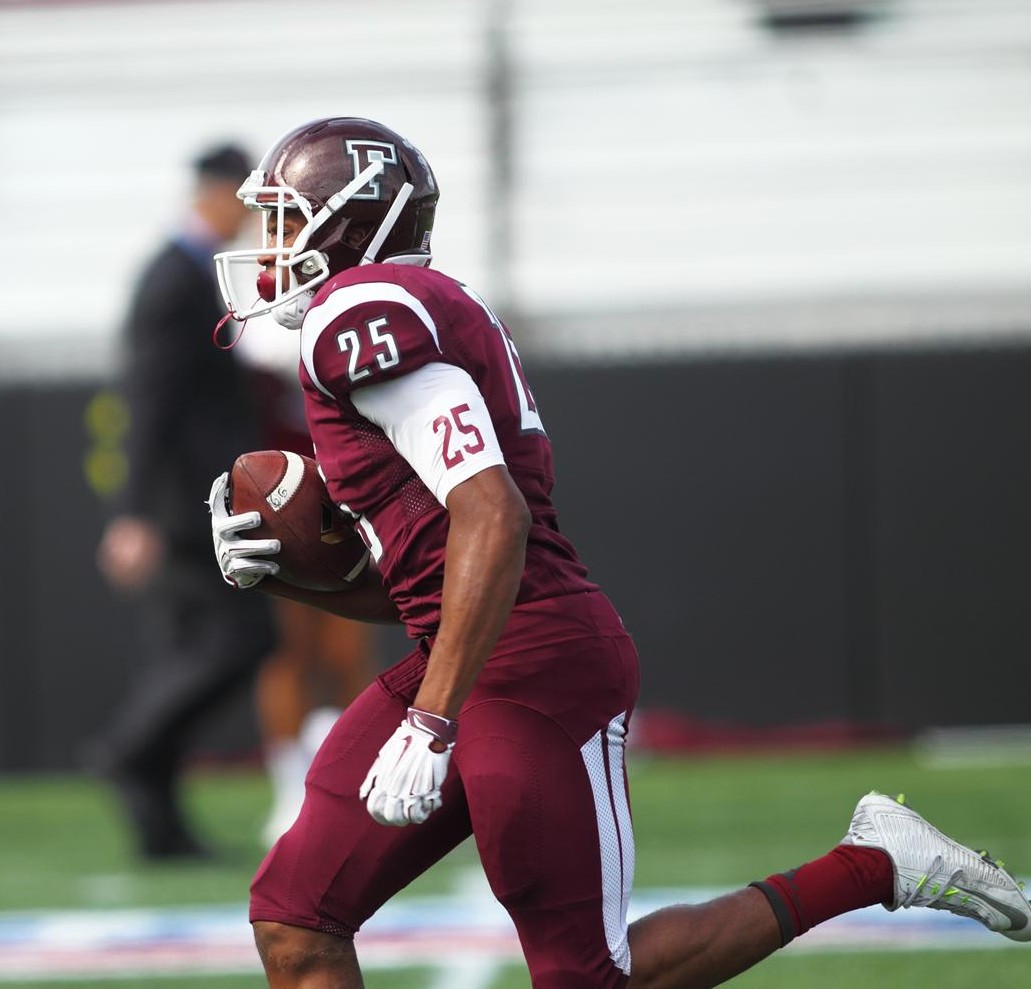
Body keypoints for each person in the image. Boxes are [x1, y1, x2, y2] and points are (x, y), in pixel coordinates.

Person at [205, 117, 1031, 987]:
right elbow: (429, 579)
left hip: (532, 661)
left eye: (287, 219)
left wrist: (432, 717)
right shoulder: (388, 311)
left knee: (585, 975)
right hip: (463, 645)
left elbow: (494, 515)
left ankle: (874, 863)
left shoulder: (359, 312)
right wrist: (292, 575)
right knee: (296, 916)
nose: (271, 244)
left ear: (350, 223)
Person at [93, 142, 280, 859]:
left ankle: (159, 823)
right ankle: (129, 747)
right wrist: (133, 512)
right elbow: (148, 402)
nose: (255, 218)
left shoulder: (189, 271)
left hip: (186, 498)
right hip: (188, 505)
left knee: (187, 647)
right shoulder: (174, 278)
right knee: (243, 636)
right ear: (219, 192)